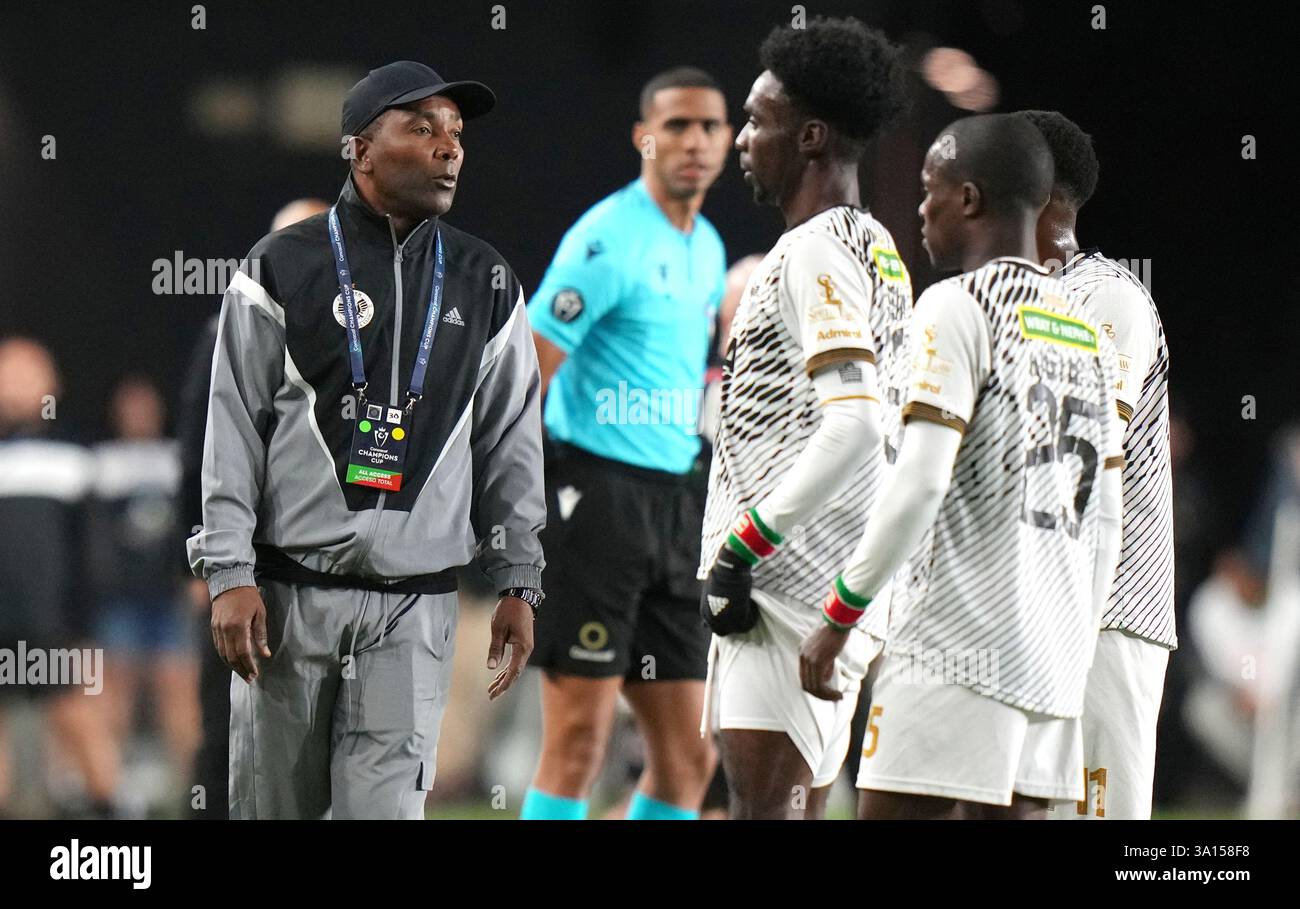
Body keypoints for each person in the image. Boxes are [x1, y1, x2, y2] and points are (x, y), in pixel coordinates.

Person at [187, 61, 545, 820]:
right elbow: (233, 429)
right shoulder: (281, 264)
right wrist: (227, 570)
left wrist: (520, 575)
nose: (449, 147)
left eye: (454, 132)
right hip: (287, 598)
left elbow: (512, 438)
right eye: (422, 128)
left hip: (413, 607)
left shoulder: (488, 281)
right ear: (360, 150)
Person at [804, 113, 1125, 820]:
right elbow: (1107, 514)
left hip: (953, 648)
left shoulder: (954, 306)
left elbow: (920, 481)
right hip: (1051, 656)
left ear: (970, 200)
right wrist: (1075, 636)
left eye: (930, 190)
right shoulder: (1085, 332)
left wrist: (841, 613)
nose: (921, 209)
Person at [699, 17, 912, 819]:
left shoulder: (814, 250)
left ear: (812, 136)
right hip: (831, 587)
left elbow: (854, 423)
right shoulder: (881, 249)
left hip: (786, 593)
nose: (744, 139)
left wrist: (742, 547)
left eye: (759, 120)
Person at [521, 67, 731, 821]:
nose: (694, 141)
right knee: (579, 739)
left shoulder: (707, 244)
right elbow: (524, 375)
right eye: (676, 125)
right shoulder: (606, 239)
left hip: (676, 507)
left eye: (710, 126)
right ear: (645, 136)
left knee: (688, 758)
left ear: (728, 140)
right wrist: (517, 506)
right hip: (594, 501)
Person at [1018, 110, 1176, 821]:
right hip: (1038, 610)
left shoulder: (1108, 296)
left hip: (1112, 612)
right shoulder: (1014, 302)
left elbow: (1084, 460)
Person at [178, 198, 329, 819]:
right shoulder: (229, 327)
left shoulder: (357, 327)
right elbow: (198, 451)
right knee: (228, 714)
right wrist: (209, 557)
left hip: (321, 560)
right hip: (246, 557)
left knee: (317, 724)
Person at [0, 338, 115, 817]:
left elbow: (94, 553)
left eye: (30, 372)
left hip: (57, 627)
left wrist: (86, 627)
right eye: (8, 372)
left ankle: (109, 814)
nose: (18, 383)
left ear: (52, 384)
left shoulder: (75, 458)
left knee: (79, 722)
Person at [88, 376, 197, 812]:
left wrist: (193, 579)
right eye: (129, 407)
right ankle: (114, 796)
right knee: (115, 697)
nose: (138, 415)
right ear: (117, 413)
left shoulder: (177, 457)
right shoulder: (101, 462)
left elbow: (194, 523)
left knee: (178, 693)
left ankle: (190, 793)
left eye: (145, 406)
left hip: (168, 599)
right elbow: (91, 538)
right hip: (119, 601)